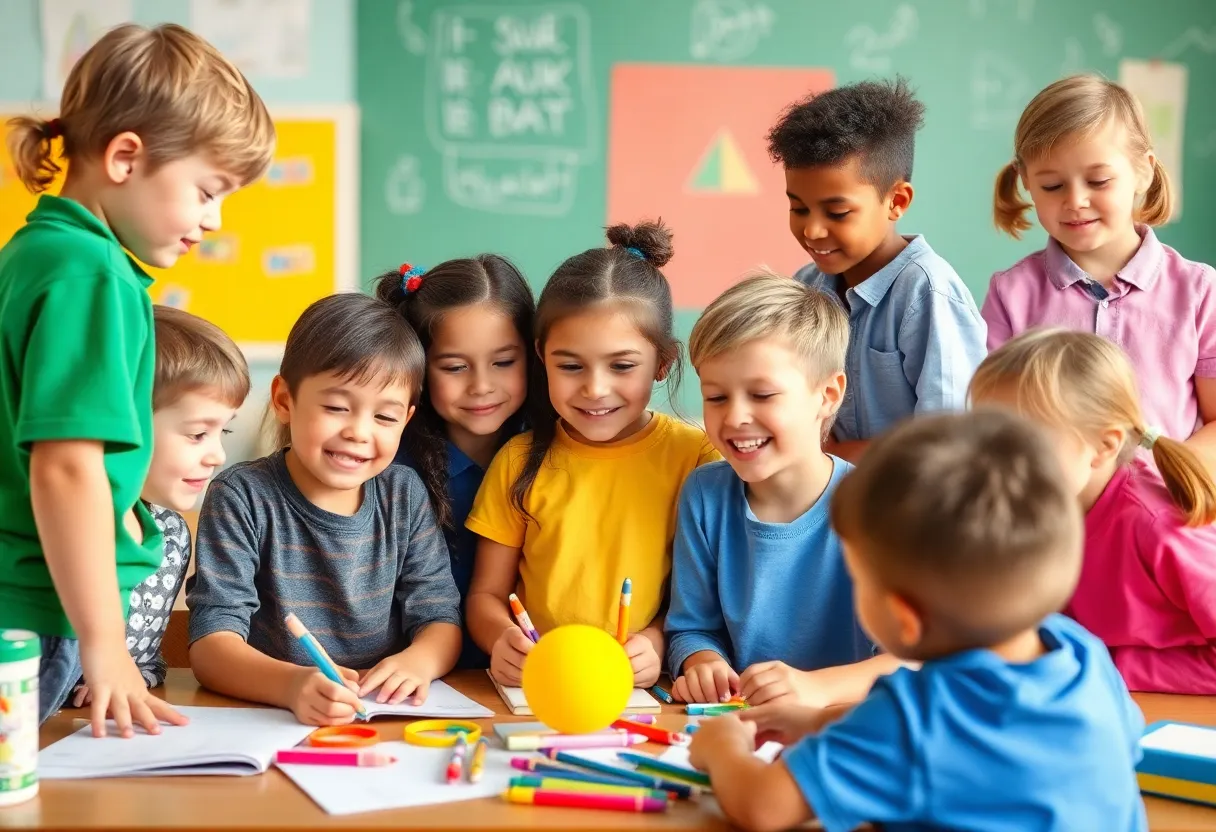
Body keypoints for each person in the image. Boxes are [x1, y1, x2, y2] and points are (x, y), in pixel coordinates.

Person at [0, 22, 273, 734]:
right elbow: (65, 468)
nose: (212, 221)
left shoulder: (37, 251)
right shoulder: (93, 277)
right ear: (126, 157)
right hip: (36, 610)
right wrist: (104, 641)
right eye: (207, 191)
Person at [688, 410, 1146, 832]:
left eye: (859, 579)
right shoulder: (1079, 652)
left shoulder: (911, 718)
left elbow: (763, 806)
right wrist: (813, 722)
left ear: (906, 620)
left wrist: (723, 747)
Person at [465, 220, 720, 688]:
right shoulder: (520, 460)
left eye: (622, 366)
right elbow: (485, 595)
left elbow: (703, 600)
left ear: (663, 362)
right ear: (542, 356)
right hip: (539, 688)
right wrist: (502, 639)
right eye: (570, 366)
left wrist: (658, 640)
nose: (595, 389)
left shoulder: (697, 458)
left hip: (635, 692)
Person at [187, 293, 462, 726]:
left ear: (406, 420)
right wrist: (292, 686)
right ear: (283, 400)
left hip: (382, 719)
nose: (358, 432)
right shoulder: (242, 494)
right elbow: (211, 643)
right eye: (336, 407)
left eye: (385, 418)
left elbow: (439, 617)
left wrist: (419, 662)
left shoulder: (404, 494)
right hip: (268, 720)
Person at [667, 273, 893, 707]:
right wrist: (702, 662)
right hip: (742, 726)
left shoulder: (880, 505)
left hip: (852, 729)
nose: (735, 418)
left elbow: (915, 657)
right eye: (715, 397)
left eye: (763, 395)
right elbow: (691, 628)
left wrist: (816, 688)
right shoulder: (705, 495)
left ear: (828, 394)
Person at [971, 327, 1216, 694]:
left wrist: (1106, 665)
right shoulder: (1033, 509)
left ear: (1104, 445)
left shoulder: (1160, 528)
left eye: (1021, 443)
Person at [983, 74, 1216, 456]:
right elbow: (995, 423)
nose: (1075, 201)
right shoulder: (1011, 294)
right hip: (1056, 512)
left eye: (1099, 180)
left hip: (1166, 510)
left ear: (1143, 171)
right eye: (1053, 186)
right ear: (1026, 181)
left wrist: (1165, 493)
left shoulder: (1199, 292)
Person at [770, 77, 984, 460]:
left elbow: (950, 441)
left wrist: (831, 458)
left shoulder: (928, 295)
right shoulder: (805, 287)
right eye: (798, 208)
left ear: (896, 201)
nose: (812, 229)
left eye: (837, 212)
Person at [71, 305, 250, 706]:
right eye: (198, 434)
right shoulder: (53, 522)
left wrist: (136, 676)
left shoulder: (170, 530)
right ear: (122, 424)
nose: (217, 454)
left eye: (224, 430)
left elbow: (143, 660)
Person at [375, 255, 540, 670]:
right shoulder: (387, 466)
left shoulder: (552, 454)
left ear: (535, 356)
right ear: (419, 369)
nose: (482, 386)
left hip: (527, 680)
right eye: (454, 367)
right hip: (410, 681)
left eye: (504, 362)